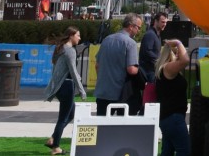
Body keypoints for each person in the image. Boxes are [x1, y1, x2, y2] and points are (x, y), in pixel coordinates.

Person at [44, 26, 87, 155]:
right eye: (78, 35)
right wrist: (82, 90)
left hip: (60, 86)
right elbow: (73, 71)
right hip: (66, 86)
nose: (80, 38)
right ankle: (56, 147)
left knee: (71, 114)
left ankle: (53, 139)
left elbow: (60, 69)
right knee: (63, 118)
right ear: (71, 36)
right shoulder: (70, 51)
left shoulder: (61, 48)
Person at [94, 13, 143, 116]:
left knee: (102, 124)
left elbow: (97, 65)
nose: (139, 31)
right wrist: (141, 70)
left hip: (103, 91)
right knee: (122, 125)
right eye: (138, 27)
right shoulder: (130, 43)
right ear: (131, 26)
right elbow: (131, 69)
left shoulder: (106, 40)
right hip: (121, 94)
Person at [154, 39, 190, 156]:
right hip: (173, 118)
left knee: (167, 151)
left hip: (167, 118)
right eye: (177, 52)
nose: (180, 54)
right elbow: (186, 60)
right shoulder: (168, 68)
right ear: (172, 54)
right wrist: (179, 42)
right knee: (184, 151)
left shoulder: (163, 69)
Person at [140, 12, 167, 84]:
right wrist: (160, 61)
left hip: (153, 70)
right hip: (148, 72)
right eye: (162, 22)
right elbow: (147, 51)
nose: (165, 24)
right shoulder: (150, 34)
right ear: (156, 21)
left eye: (166, 22)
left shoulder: (157, 34)